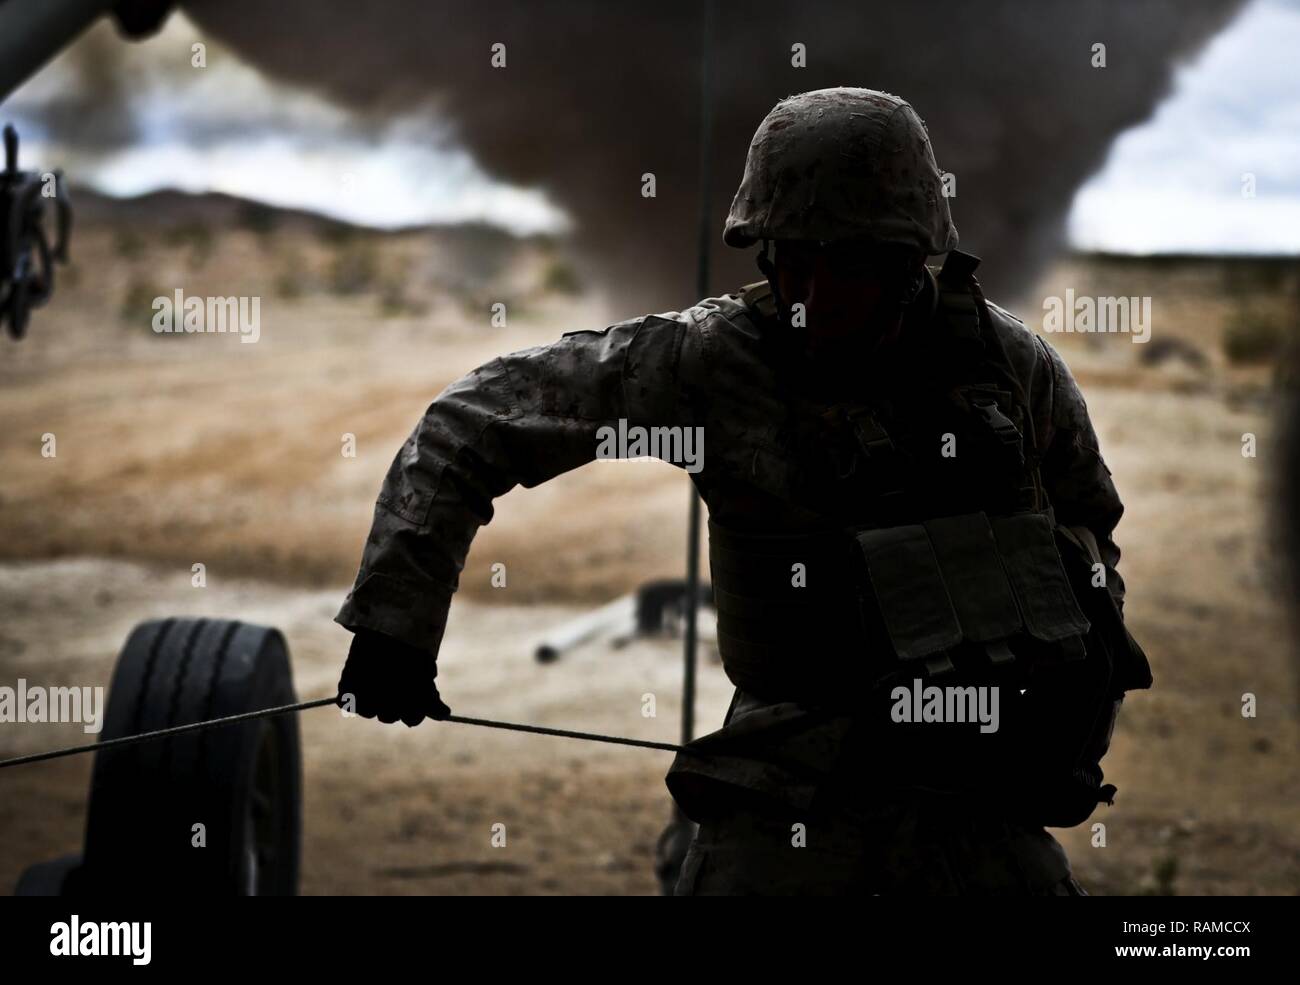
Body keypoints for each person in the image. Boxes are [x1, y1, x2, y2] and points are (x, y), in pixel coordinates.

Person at [335, 87, 1151, 895]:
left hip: (978, 795)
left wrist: (1055, 688)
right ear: (764, 251)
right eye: (796, 257)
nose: (817, 298)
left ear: (912, 259)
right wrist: (395, 624)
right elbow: (475, 420)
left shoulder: (1011, 368)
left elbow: (1090, 529)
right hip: (787, 793)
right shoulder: (714, 361)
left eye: (853, 263)